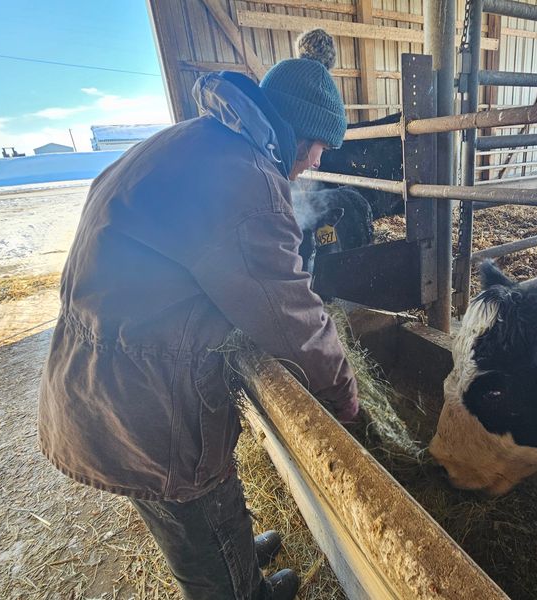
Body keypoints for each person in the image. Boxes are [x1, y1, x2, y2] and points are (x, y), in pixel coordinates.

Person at [38, 29, 359, 600]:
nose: (315, 161)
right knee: (191, 500)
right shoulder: (248, 184)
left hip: (107, 366)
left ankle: (234, 558)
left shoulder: (194, 138)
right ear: (292, 132)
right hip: (147, 393)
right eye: (317, 145)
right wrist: (346, 399)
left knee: (203, 497)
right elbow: (291, 318)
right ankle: (235, 586)